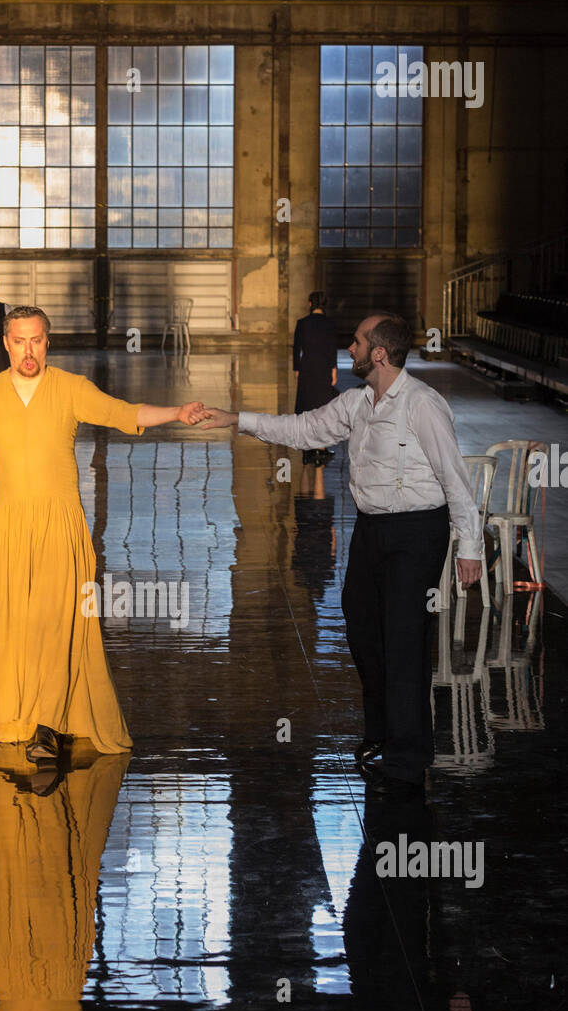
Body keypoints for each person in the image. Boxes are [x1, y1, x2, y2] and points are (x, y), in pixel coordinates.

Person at [200, 313, 484, 794]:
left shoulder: (422, 405)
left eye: (354, 342)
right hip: (372, 529)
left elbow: (455, 479)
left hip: (418, 531)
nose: (347, 350)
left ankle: (409, 755)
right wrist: (236, 419)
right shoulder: (356, 402)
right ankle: (382, 733)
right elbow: (304, 430)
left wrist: (469, 547)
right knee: (363, 629)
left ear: (378, 353)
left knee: (403, 638)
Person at [0, 305, 205, 762]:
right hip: (7, 528)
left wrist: (177, 411)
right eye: (19, 340)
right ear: (6, 343)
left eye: (36, 340)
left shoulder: (69, 389)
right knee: (11, 624)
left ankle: (46, 724)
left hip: (61, 526)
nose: (28, 350)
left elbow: (123, 413)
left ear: (48, 341)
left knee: (55, 624)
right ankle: (13, 713)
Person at [292, 291, 338, 468]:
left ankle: (306, 449)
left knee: (306, 405)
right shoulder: (330, 324)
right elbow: (332, 348)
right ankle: (321, 447)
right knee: (322, 407)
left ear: (310, 303)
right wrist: (333, 370)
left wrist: (297, 369)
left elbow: (297, 349)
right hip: (324, 367)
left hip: (307, 366)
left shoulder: (302, 323)